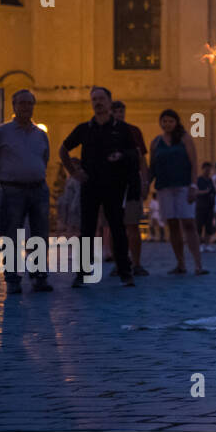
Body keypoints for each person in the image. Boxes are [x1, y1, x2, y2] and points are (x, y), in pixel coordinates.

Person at [59, 86, 138, 287]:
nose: (98, 102)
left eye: (101, 98)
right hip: (90, 186)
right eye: (94, 99)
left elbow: (134, 154)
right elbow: (63, 149)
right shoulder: (84, 128)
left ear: (110, 102)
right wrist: (74, 173)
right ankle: (82, 273)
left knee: (117, 228)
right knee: (86, 230)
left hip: (114, 185)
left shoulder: (121, 129)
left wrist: (121, 156)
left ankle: (124, 271)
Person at [0, 89, 54, 293]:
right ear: (13, 105)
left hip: (38, 189)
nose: (26, 107)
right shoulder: (3, 132)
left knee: (39, 235)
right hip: (12, 190)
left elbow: (45, 159)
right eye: (22, 103)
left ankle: (39, 276)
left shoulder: (40, 134)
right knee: (12, 235)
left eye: (29, 103)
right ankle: (12, 279)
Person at [149, 109, 205, 275]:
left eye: (170, 121)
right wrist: (145, 184)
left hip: (183, 186)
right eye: (164, 121)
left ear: (176, 122)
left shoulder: (185, 138)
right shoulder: (156, 142)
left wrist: (194, 186)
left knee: (189, 223)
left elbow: (194, 163)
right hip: (164, 187)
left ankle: (198, 264)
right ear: (160, 123)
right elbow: (152, 166)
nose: (167, 124)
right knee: (172, 225)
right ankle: (180, 263)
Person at [109, 100, 150, 277]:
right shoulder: (105, 132)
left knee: (133, 225)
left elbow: (142, 159)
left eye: (121, 111)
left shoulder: (134, 131)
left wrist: (145, 181)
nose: (119, 114)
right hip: (111, 185)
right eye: (116, 111)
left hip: (132, 183)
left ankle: (137, 263)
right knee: (114, 226)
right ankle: (119, 262)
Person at [194, 162, 215, 251]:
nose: (208, 171)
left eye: (209, 169)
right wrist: (204, 192)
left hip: (209, 207)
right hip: (200, 207)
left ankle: (207, 245)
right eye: (206, 169)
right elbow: (195, 192)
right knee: (199, 227)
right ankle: (199, 245)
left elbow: (213, 191)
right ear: (203, 169)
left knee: (209, 227)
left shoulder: (210, 180)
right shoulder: (198, 180)